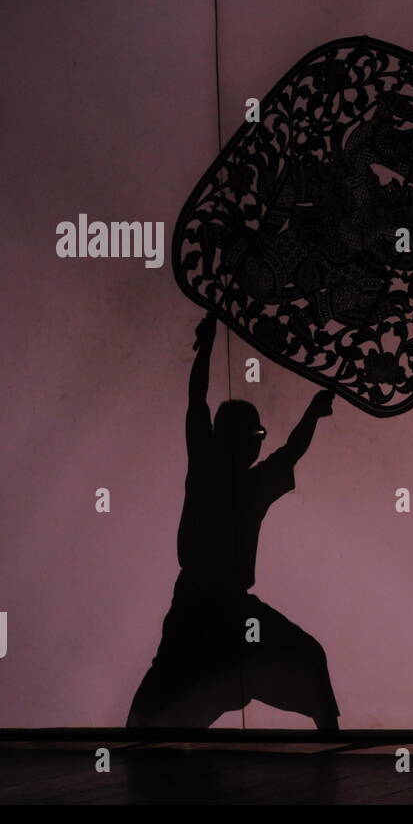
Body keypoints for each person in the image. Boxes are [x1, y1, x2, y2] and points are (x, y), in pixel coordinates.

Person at [127, 311, 340, 731]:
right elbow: (198, 401)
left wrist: (314, 414)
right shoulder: (214, 470)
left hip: (226, 608)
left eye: (260, 437)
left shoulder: (245, 481)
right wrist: (206, 347)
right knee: (161, 700)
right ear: (231, 437)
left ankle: (331, 742)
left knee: (307, 658)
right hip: (200, 608)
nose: (258, 445)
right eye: (255, 436)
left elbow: (289, 450)